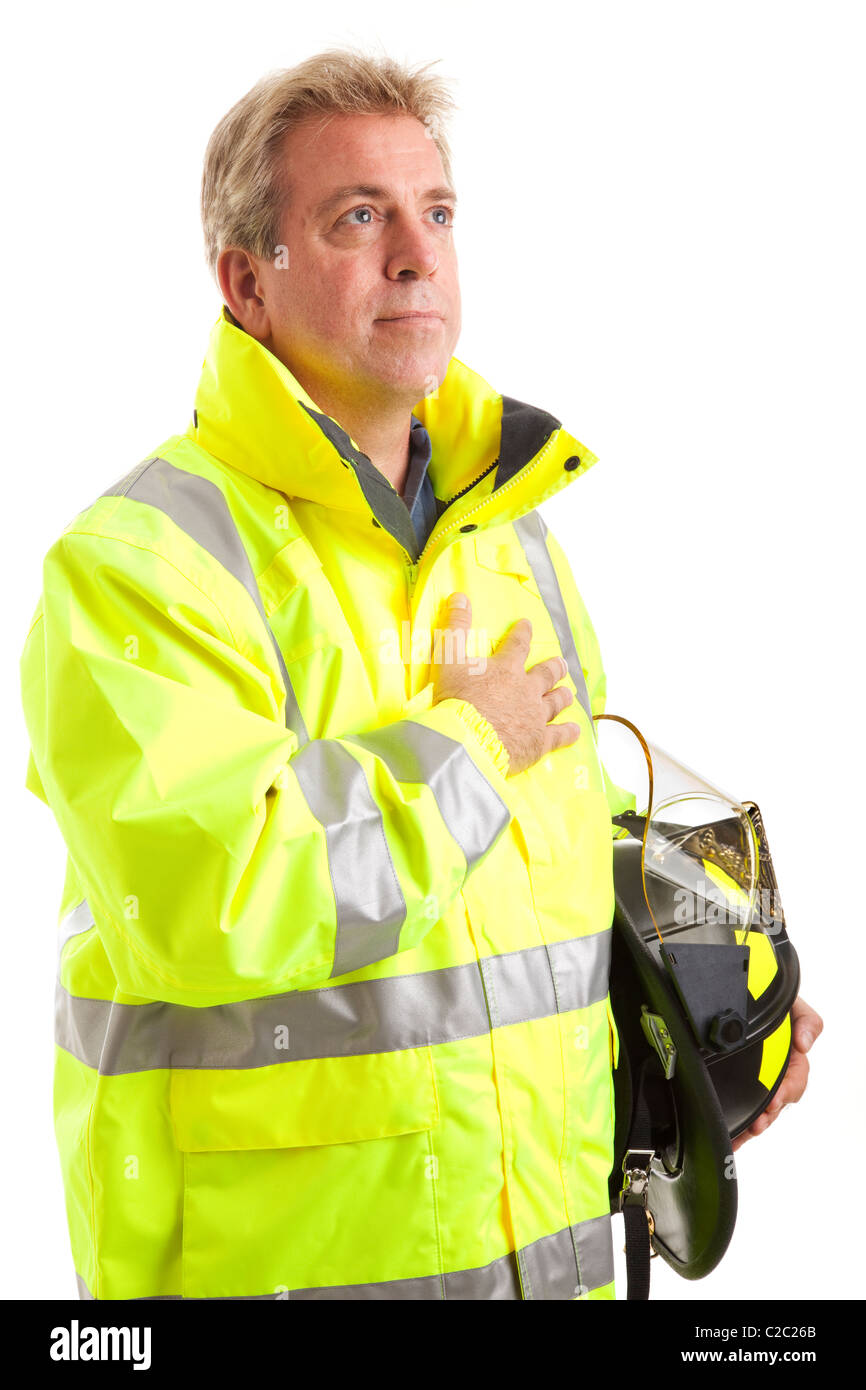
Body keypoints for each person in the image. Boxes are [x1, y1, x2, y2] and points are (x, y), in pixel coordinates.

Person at [19, 46, 821, 1301]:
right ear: (245, 283)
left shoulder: (510, 536)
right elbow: (220, 902)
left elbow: (539, 855)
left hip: (551, 1266)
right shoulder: (142, 568)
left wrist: (702, 1013)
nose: (416, 252)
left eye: (435, 212)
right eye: (357, 217)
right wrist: (469, 744)